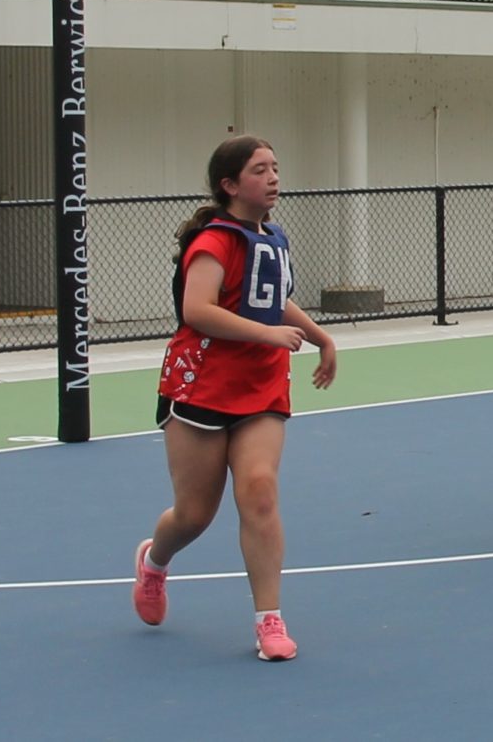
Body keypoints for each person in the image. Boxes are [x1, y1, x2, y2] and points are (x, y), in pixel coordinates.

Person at [135, 135, 338, 662]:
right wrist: (264, 333)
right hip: (203, 378)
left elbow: (271, 296)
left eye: (275, 167)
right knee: (195, 514)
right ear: (229, 185)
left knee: (260, 488)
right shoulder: (214, 241)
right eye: (259, 170)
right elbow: (197, 308)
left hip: (261, 384)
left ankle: (268, 619)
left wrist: (320, 336)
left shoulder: (272, 236)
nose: (273, 177)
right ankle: (154, 562)